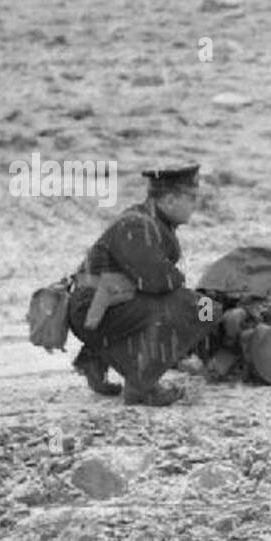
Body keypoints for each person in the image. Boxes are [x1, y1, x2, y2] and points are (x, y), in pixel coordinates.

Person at [68, 164, 219, 406]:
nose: (195, 205)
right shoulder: (138, 224)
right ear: (169, 200)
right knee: (203, 308)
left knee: (181, 305)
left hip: (102, 307)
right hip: (93, 310)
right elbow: (157, 280)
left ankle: (96, 357)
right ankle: (142, 386)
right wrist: (183, 285)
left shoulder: (149, 220)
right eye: (191, 198)